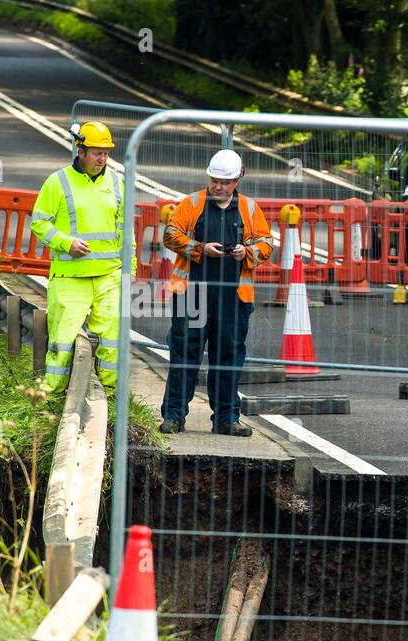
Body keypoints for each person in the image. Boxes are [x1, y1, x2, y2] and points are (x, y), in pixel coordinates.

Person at [160, 149, 272, 436]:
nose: (218, 187)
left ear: (237, 181)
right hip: (192, 294)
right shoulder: (192, 203)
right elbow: (170, 235)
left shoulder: (249, 209)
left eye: (225, 182)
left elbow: (266, 244)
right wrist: (200, 249)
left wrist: (246, 252)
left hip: (233, 298)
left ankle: (227, 419)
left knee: (228, 357)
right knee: (184, 355)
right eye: (215, 181)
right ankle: (173, 416)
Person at [30, 121, 133, 393]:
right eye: (96, 153)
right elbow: (39, 223)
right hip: (71, 276)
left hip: (109, 276)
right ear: (81, 151)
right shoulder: (58, 182)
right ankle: (51, 394)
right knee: (62, 340)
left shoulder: (116, 183)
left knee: (112, 339)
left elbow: (126, 231)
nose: (102, 159)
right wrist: (67, 243)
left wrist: (129, 271)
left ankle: (110, 394)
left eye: (105, 153)